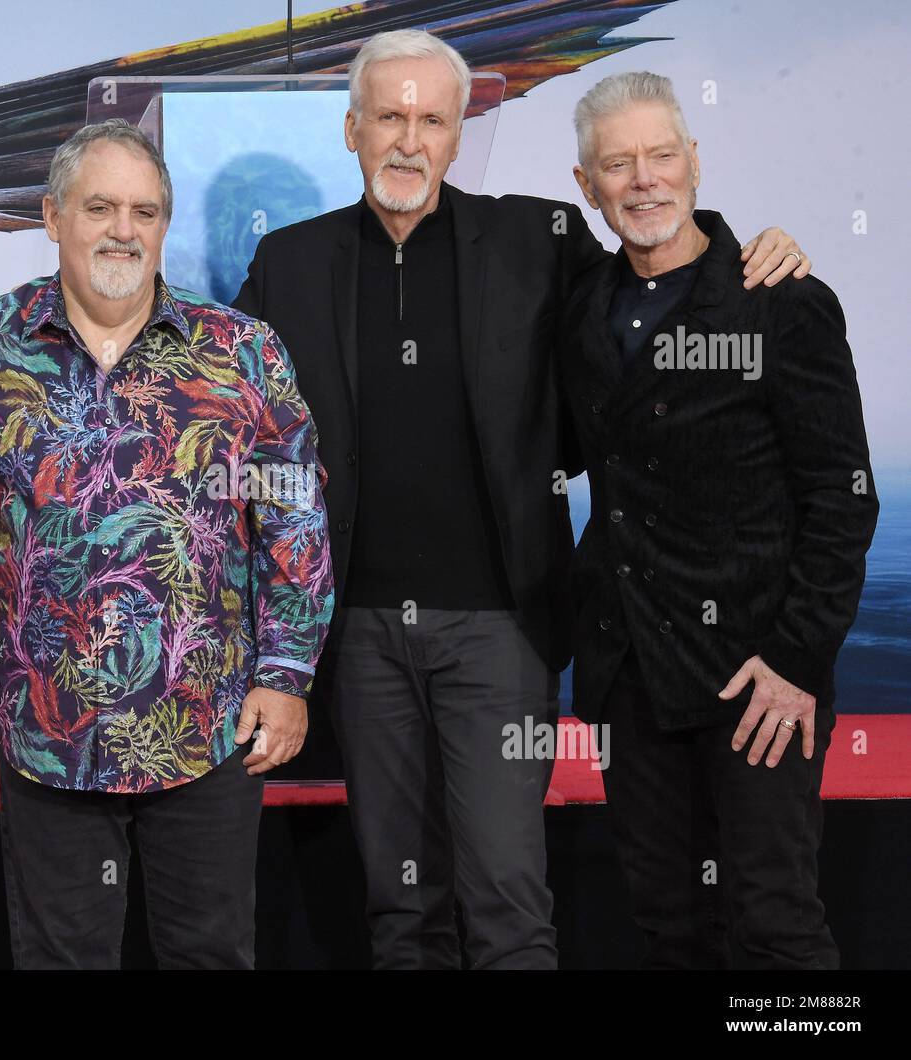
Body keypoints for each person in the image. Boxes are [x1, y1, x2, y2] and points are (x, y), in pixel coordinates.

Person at [233, 28, 812, 969]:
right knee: (401, 909)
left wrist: (758, 250)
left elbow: (660, 270)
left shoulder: (537, 237)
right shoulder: (287, 264)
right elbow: (237, 428)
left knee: (509, 905)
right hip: (359, 636)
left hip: (503, 627)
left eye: (433, 119)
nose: (410, 140)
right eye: (389, 117)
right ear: (351, 130)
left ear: (462, 134)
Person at [0, 118, 333, 969]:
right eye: (100, 207)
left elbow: (293, 518)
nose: (124, 229)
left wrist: (286, 674)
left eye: (145, 211)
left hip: (206, 726)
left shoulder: (241, 352)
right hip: (46, 734)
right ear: (52, 218)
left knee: (210, 955)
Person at [560, 70, 879, 968]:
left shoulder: (780, 300)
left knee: (775, 922)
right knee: (668, 924)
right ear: (586, 186)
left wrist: (796, 659)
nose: (644, 179)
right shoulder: (580, 309)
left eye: (661, 155)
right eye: (617, 164)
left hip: (758, 677)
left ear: (695, 163)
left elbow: (844, 498)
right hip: (630, 672)